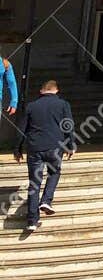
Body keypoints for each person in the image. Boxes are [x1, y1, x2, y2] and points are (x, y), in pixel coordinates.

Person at [12, 79, 73, 236]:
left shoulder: (31, 106)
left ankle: (32, 221)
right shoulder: (63, 104)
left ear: (41, 91)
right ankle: (46, 201)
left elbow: (21, 128)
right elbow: (68, 125)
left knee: (34, 183)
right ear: (56, 91)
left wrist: (17, 149)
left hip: (34, 148)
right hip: (54, 147)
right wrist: (70, 145)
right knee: (54, 173)